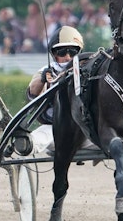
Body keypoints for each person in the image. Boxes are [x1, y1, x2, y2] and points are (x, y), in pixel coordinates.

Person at [23, 26, 84, 155]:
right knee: (36, 138)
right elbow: (32, 92)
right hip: (54, 129)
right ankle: (26, 144)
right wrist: (43, 78)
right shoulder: (46, 71)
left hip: (84, 131)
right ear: (54, 54)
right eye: (62, 52)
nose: (68, 57)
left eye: (72, 52)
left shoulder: (87, 70)